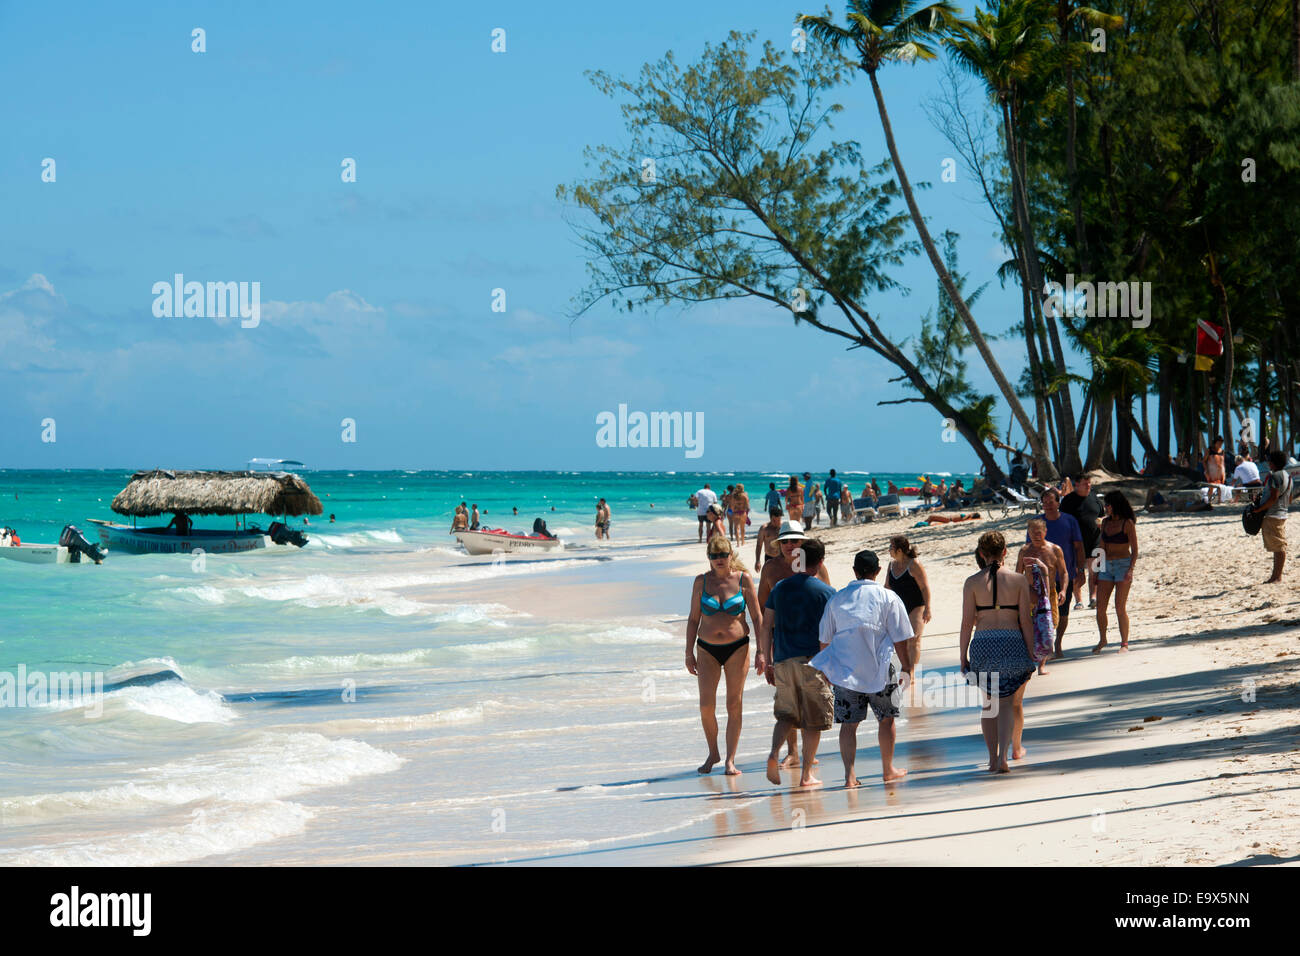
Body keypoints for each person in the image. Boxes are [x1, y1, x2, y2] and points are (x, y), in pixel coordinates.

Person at [811, 549, 913, 787]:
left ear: (854, 572)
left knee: (849, 725)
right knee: (886, 719)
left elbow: (824, 638)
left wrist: (827, 669)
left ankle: (849, 777)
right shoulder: (888, 597)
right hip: (881, 670)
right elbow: (901, 638)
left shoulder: (837, 599)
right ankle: (888, 770)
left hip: (846, 674)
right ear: (878, 571)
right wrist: (907, 667)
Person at [758, 537, 836, 787]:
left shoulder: (780, 587)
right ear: (821, 562)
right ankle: (806, 775)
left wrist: (767, 659)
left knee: (786, 715)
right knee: (813, 720)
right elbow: (833, 632)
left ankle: (773, 754)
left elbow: (765, 624)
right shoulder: (826, 592)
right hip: (812, 662)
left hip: (782, 660)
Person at [960, 532, 1038, 773]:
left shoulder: (972, 582)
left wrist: (963, 657)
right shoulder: (1018, 580)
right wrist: (1031, 651)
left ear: (982, 554)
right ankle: (1003, 757)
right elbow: (1025, 620)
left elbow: (966, 623)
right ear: (1005, 552)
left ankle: (992, 759)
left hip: (983, 643)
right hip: (1012, 641)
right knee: (1006, 704)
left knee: (989, 705)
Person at [686, 535, 762, 775]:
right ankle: (713, 753)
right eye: (713, 555)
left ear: (731, 555)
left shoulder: (743, 580)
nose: (719, 559)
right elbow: (693, 619)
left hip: (737, 647)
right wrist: (688, 652)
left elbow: (758, 617)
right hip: (706, 648)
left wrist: (762, 650)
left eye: (722, 555)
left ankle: (730, 759)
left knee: (733, 703)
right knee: (706, 706)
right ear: (708, 558)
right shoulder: (701, 582)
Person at [1027, 488, 1083, 659]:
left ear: (1058, 503)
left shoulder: (1070, 521)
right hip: (1040, 581)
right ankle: (1043, 647)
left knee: (1063, 614)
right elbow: (1028, 552)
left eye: (1051, 502)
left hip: (1064, 575)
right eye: (1044, 503)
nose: (1048, 506)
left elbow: (1079, 547)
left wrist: (1081, 570)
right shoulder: (1036, 524)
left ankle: (1058, 643)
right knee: (1040, 615)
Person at [1016, 518, 1067, 674]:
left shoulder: (1055, 549)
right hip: (1028, 593)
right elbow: (1018, 574)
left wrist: (1063, 590)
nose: (1036, 536)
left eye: (1039, 533)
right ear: (1028, 533)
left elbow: (1063, 572)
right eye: (1032, 533)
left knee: (1049, 626)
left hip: (1048, 593)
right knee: (1028, 625)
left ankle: (1042, 665)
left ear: (1045, 532)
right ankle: (1030, 660)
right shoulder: (1024, 551)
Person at [882, 535, 931, 685]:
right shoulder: (891, 566)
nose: (889, 550)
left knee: (914, 639)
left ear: (899, 550)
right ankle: (906, 667)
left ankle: (911, 672)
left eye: (891, 547)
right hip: (898, 607)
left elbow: (924, 587)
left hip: (916, 605)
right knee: (901, 641)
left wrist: (928, 608)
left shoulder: (914, 564)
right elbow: (887, 587)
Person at [1094, 491, 1139, 652]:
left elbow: (1134, 549)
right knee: (1100, 607)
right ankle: (1102, 639)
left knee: (1120, 607)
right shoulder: (1105, 523)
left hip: (1123, 565)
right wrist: (1096, 571)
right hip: (1106, 565)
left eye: (1107, 505)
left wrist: (1131, 570)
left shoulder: (1127, 524)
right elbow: (1101, 548)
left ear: (1115, 505)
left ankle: (1124, 643)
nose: (1105, 508)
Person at [1060, 474, 1103, 609]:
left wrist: (1102, 522)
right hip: (1075, 542)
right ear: (1077, 485)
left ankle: (1093, 598)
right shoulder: (1068, 500)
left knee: (1095, 571)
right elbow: (1062, 520)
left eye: (1089, 483)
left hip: (1095, 539)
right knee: (1076, 572)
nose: (1088, 486)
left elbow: (1102, 515)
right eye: (1085, 483)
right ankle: (1079, 601)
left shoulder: (1094, 498)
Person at [1253, 450, 1292, 584]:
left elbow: (1273, 497)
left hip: (1273, 514)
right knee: (1277, 546)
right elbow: (1290, 498)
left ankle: (1277, 576)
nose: (1268, 463)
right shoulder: (1288, 476)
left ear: (1273, 463)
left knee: (1279, 546)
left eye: (1269, 461)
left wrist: (1259, 509)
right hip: (1282, 513)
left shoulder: (1275, 476)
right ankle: (1275, 576)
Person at [753, 507, 783, 571]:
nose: (777, 523)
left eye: (779, 520)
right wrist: (757, 561)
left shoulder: (783, 527)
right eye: (774, 520)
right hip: (769, 557)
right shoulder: (764, 529)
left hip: (781, 557)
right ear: (770, 518)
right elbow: (759, 545)